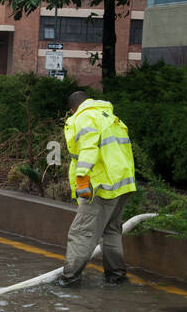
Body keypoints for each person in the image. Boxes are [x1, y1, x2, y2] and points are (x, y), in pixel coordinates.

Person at [55, 90, 137, 287]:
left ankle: (70, 279)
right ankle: (116, 277)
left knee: (81, 232)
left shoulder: (84, 117)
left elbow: (89, 149)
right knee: (111, 230)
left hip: (100, 186)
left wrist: (82, 180)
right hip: (122, 184)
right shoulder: (108, 116)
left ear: (72, 110)